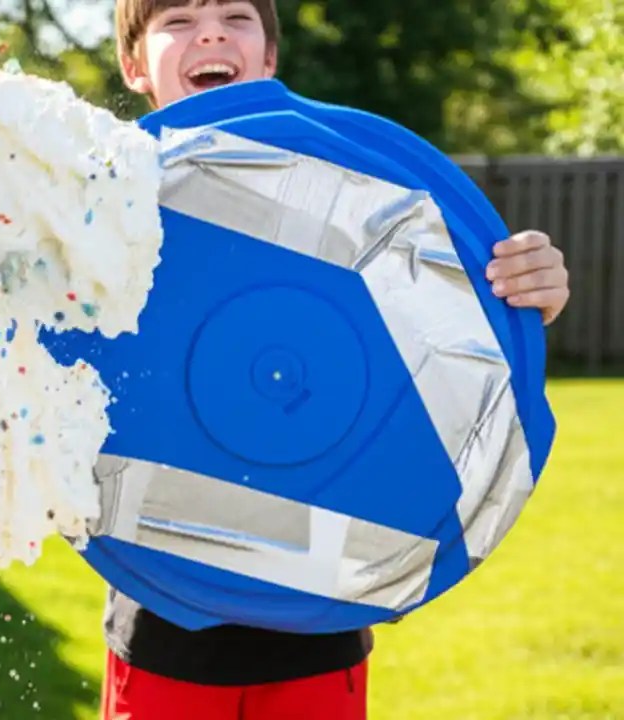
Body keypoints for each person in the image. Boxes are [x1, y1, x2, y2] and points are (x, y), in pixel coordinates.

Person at [101, 1, 572, 718]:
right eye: (177, 19)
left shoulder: (344, 190)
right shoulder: (101, 213)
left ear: (270, 61)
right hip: (163, 625)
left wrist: (524, 289)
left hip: (322, 628)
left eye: (235, 14)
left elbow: (448, 309)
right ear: (134, 67)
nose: (211, 32)